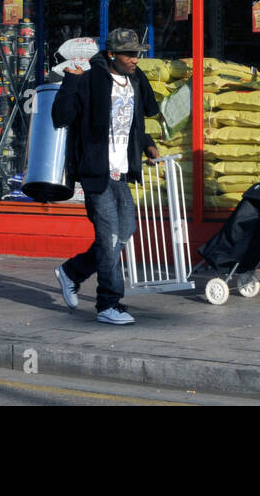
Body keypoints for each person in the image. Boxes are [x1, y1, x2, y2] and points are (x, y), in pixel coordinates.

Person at [52, 28, 160, 325]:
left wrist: (148, 144)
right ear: (111, 55)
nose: (136, 59)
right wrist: (71, 81)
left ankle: (72, 272)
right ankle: (108, 305)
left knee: (124, 231)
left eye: (138, 53)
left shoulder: (135, 80)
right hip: (96, 172)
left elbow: (133, 122)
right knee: (110, 235)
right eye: (129, 54)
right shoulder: (91, 79)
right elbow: (61, 117)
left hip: (121, 173)